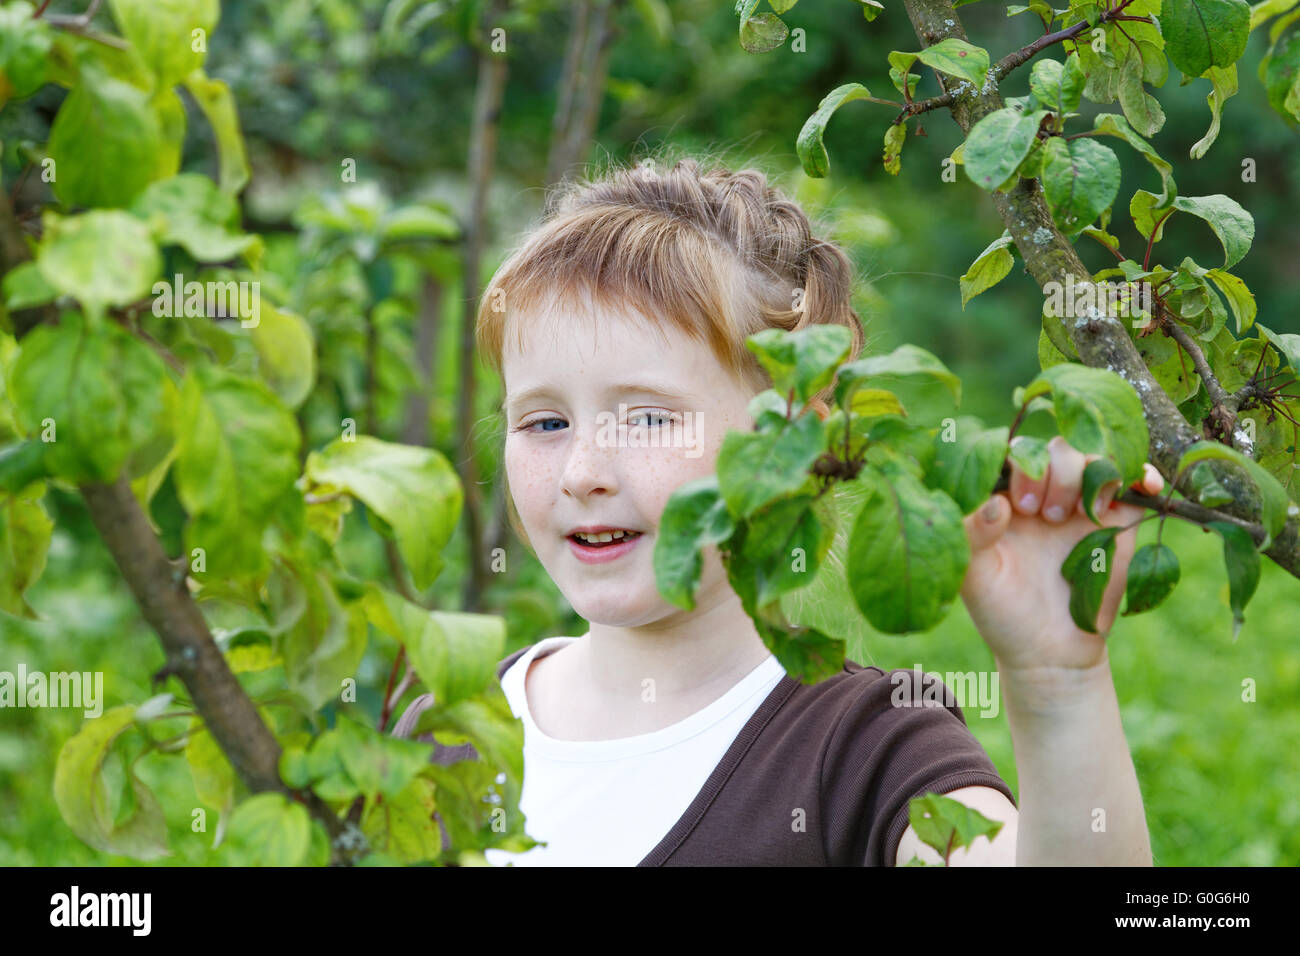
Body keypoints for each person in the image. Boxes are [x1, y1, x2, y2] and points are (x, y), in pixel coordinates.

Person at [393, 153, 1165, 866]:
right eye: (545, 422)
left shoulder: (868, 750)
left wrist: (1054, 689)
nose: (582, 473)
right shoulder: (449, 723)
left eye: (649, 417)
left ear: (796, 434)